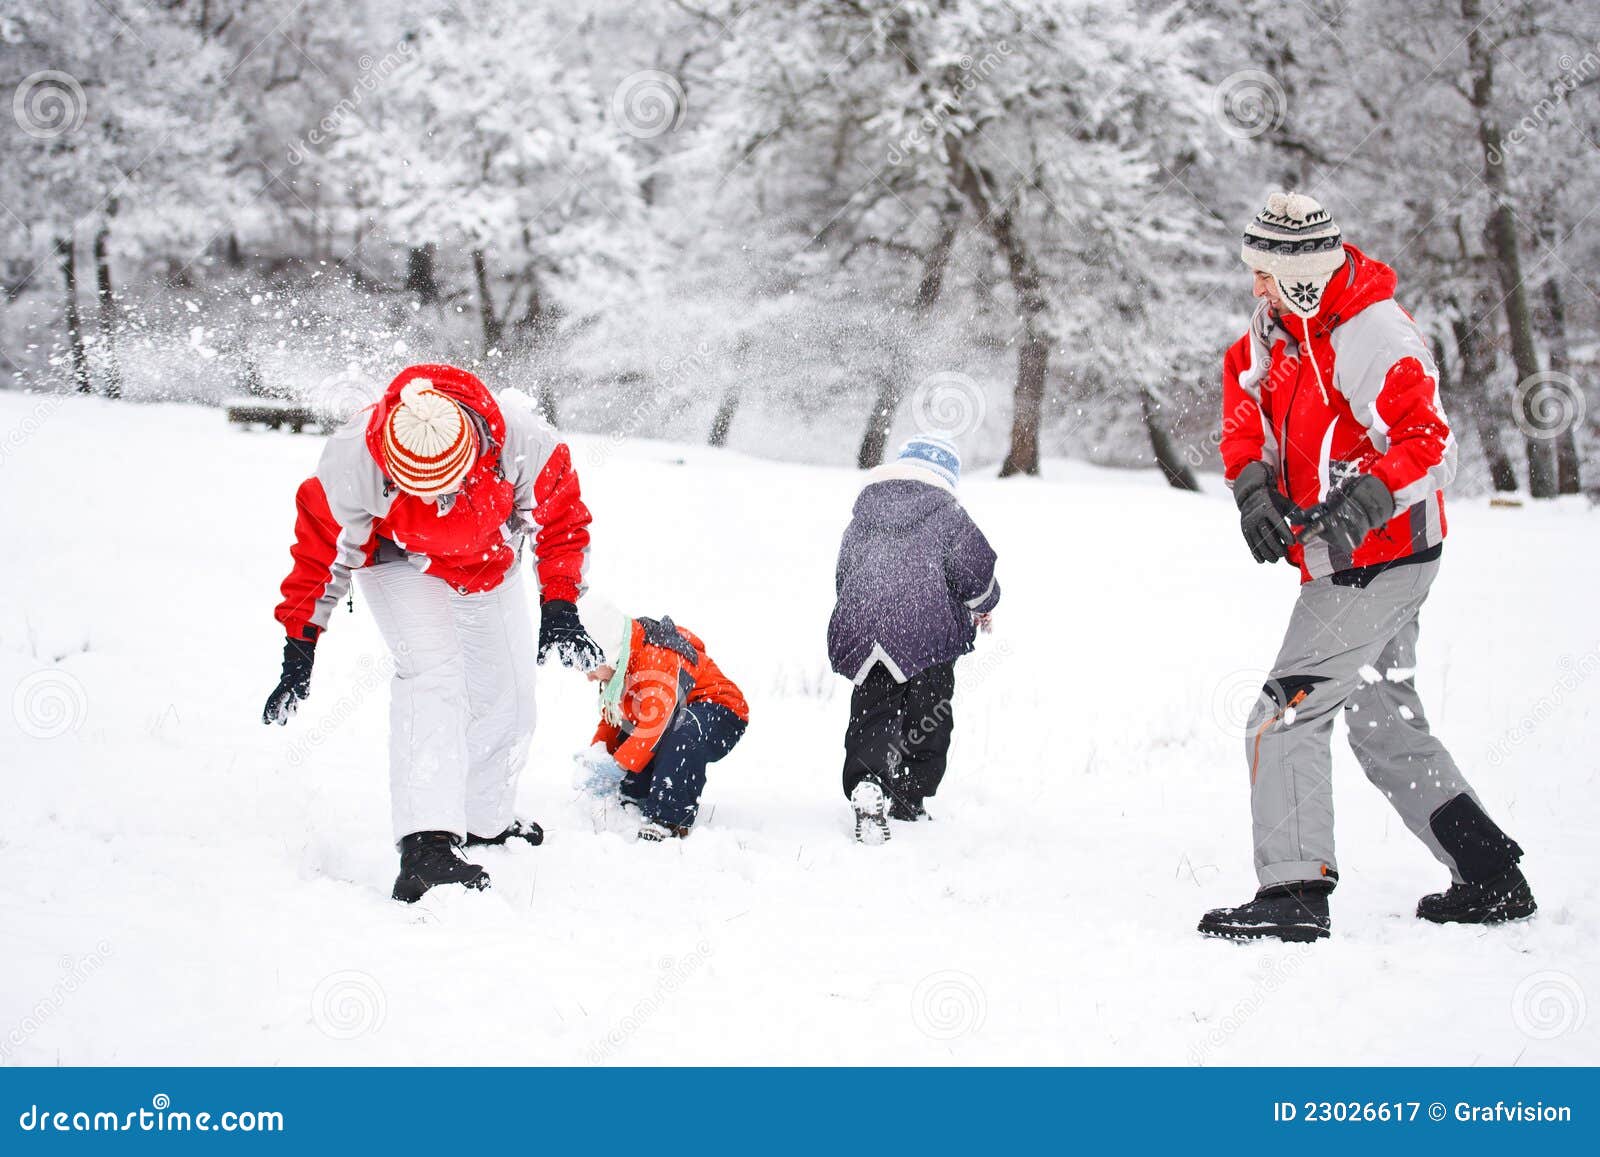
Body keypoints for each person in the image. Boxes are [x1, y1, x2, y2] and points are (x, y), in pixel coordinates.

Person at [1199, 192, 1535, 942]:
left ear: (1302, 271)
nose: (1254, 285)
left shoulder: (1371, 331)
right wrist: (1252, 486)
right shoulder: (1275, 331)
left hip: (1379, 558)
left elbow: (1429, 439)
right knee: (1383, 722)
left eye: (1266, 272)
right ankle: (1490, 876)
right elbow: (1242, 401)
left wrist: (1366, 499)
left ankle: (1292, 892)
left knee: (1283, 712)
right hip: (1348, 559)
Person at [262, 363, 603, 903]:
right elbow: (320, 552)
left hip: (487, 557)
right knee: (433, 674)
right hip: (397, 559)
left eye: (439, 489)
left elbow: (561, 523)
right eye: (409, 488)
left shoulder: (526, 442)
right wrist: (299, 646)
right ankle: (427, 846)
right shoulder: (352, 459)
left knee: (508, 694)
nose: (427, 500)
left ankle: (484, 820)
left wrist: (560, 607)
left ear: (472, 457)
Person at [827, 435, 999, 843]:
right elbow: (976, 576)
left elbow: (844, 571)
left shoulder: (865, 512)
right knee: (928, 710)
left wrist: (862, 611)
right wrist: (987, 602)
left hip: (866, 627)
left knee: (873, 709)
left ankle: (867, 783)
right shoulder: (948, 514)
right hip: (928, 630)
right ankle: (909, 793)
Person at [577, 604, 749, 841]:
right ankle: (636, 796)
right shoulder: (622, 669)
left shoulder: (657, 655)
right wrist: (597, 756)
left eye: (591, 666)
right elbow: (614, 721)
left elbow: (656, 726)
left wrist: (617, 766)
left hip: (720, 710)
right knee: (637, 735)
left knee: (680, 730)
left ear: (608, 651)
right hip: (674, 713)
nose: (589, 677)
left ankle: (669, 818)